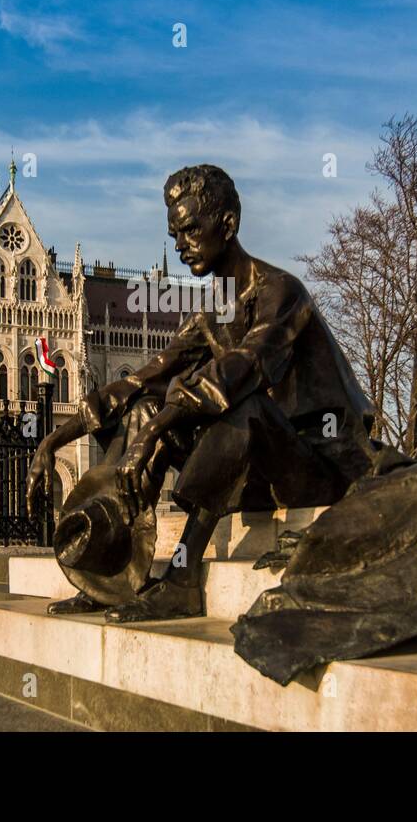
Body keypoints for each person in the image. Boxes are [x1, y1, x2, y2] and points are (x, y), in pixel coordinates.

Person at [26, 164, 375, 622]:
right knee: (143, 407)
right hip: (261, 475)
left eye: (191, 229)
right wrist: (52, 442)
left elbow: (243, 369)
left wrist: (157, 431)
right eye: (175, 233)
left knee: (242, 407)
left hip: (320, 466)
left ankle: (183, 580)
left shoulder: (282, 293)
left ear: (227, 226)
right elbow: (140, 380)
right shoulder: (210, 316)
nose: (180, 244)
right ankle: (112, 572)